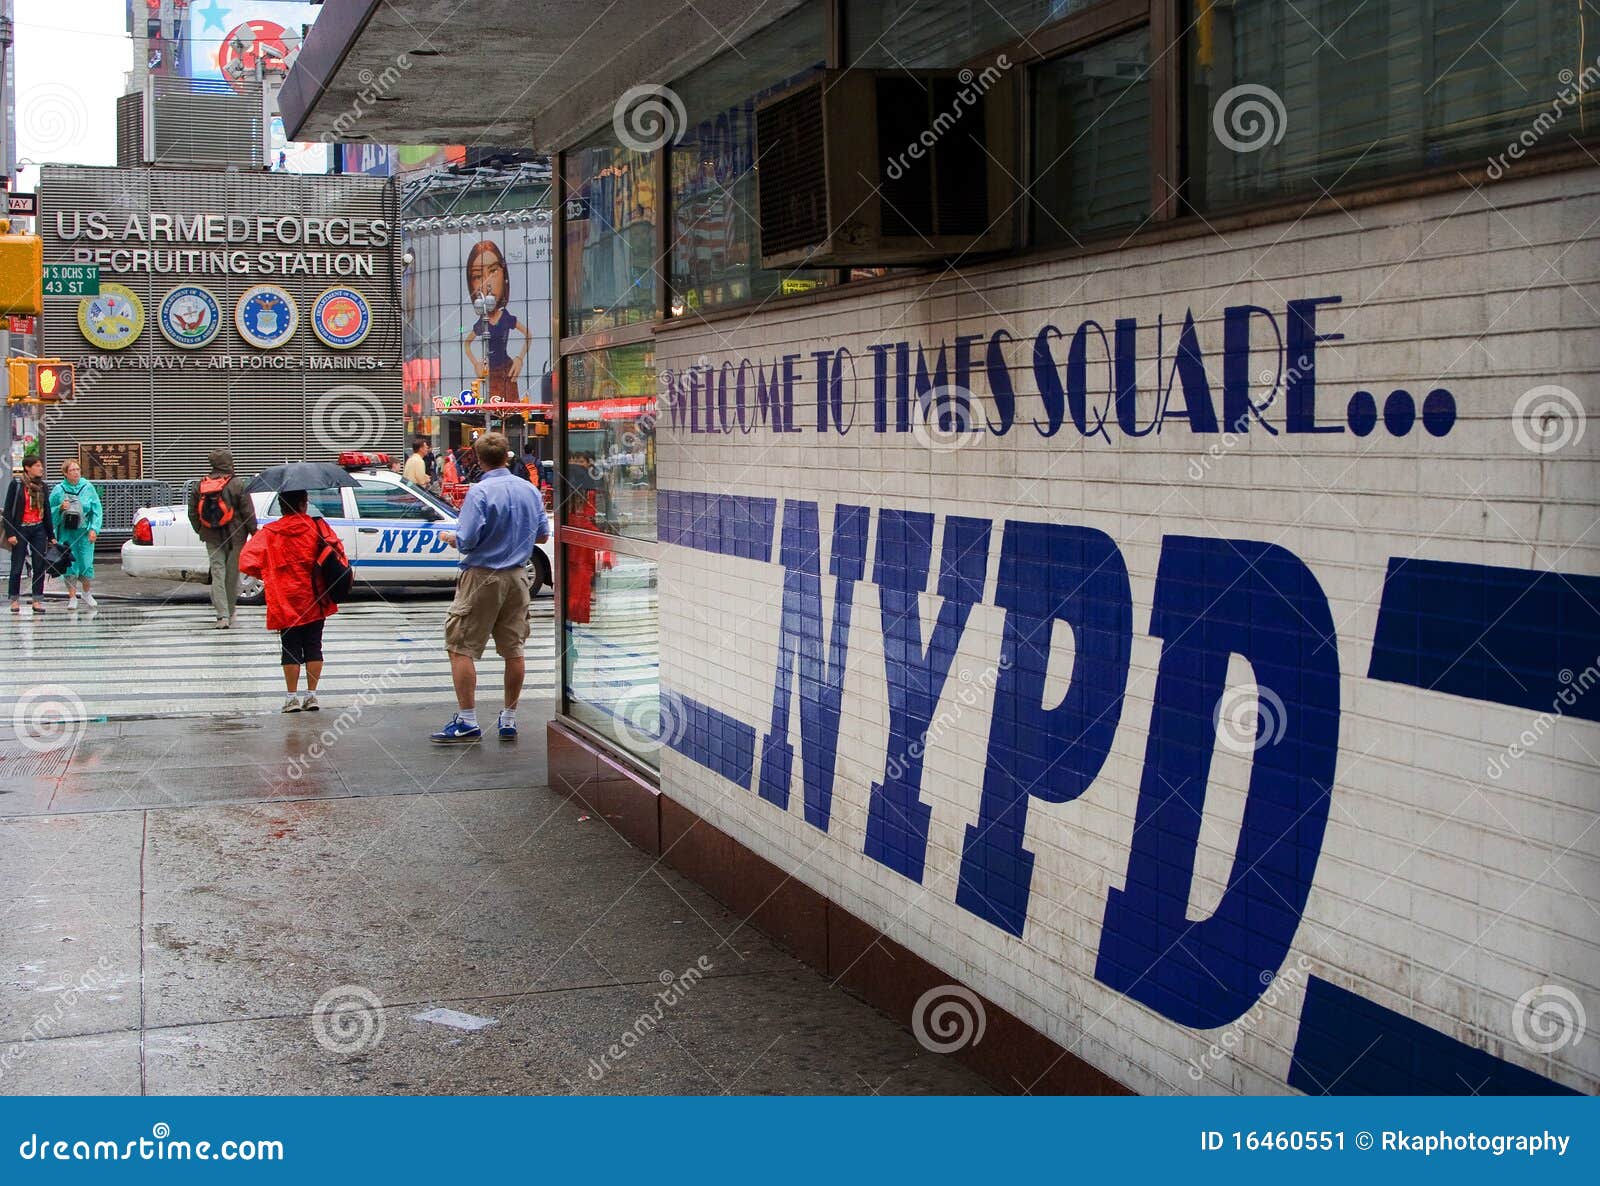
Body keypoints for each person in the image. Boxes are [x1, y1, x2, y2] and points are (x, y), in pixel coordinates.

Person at [432, 431, 549, 744]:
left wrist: (452, 538)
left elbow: (468, 540)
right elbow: (542, 535)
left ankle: (468, 719)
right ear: (507, 455)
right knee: (514, 649)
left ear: (478, 458)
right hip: (518, 577)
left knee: (460, 646)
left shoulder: (480, 492)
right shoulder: (529, 490)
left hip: (482, 576)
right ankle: (508, 718)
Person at [239, 489, 347, 713]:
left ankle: (291, 698)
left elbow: (246, 561)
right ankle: (311, 696)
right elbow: (337, 551)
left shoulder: (270, 532)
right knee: (314, 645)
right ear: (303, 504)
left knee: (290, 648)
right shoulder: (317, 527)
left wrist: (268, 572)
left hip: (284, 599)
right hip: (315, 596)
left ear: (281, 507)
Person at [187, 448, 258, 629]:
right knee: (232, 575)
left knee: (217, 574)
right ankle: (231, 612)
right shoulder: (237, 484)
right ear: (229, 463)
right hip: (236, 537)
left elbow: (192, 512)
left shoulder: (200, 485)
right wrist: (254, 533)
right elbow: (248, 512)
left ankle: (222, 616)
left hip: (211, 537)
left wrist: (201, 530)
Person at [462, 240, 531, 401]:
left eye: (493, 271)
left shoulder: (505, 317)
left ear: (504, 275)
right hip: (490, 372)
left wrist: (519, 359)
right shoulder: (483, 321)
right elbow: (467, 343)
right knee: (492, 405)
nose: (487, 283)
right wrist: (476, 364)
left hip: (507, 369)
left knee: (510, 407)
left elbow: (528, 334)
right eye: (478, 276)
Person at [49, 460, 102, 611]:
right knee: (70, 565)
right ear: (65, 473)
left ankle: (86, 592)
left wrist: (94, 529)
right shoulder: (58, 490)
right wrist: (60, 508)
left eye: (77, 469)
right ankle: (72, 597)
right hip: (67, 533)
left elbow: (96, 510)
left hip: (83, 532)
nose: (76, 472)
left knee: (86, 563)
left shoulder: (88, 487)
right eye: (72, 470)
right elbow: (49, 511)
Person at [4, 455, 53, 613]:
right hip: (20, 528)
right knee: (17, 565)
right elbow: (8, 510)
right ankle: (14, 599)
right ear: (27, 468)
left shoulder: (43, 486)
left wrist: (51, 535)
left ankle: (37, 600)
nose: (41, 468)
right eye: (37, 466)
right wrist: (11, 533)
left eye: (41, 465)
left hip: (38, 528)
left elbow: (47, 511)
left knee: (39, 565)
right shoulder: (17, 484)